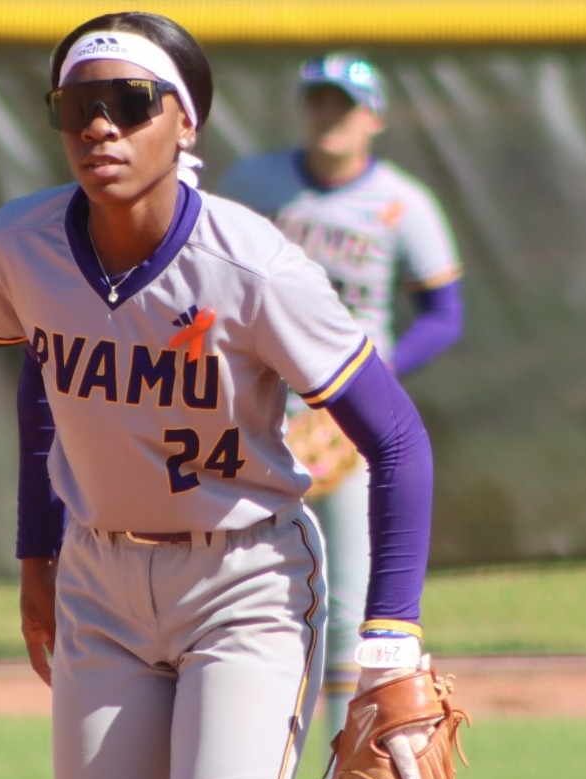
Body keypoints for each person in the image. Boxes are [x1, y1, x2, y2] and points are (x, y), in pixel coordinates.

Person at [0, 13, 438, 779]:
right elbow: (39, 388)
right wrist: (35, 555)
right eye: (75, 107)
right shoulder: (18, 240)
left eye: (128, 104)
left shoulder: (253, 264)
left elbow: (398, 440)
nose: (99, 125)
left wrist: (388, 640)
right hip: (99, 582)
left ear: (182, 122)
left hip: (246, 586)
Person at [217, 52, 464, 741]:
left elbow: (445, 314)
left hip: (354, 425)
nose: (329, 116)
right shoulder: (256, 184)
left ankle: (343, 763)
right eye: (319, 102)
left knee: (356, 601)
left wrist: (374, 385)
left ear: (373, 118)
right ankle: (257, 755)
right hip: (259, 419)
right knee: (246, 593)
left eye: (344, 105)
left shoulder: (402, 203)